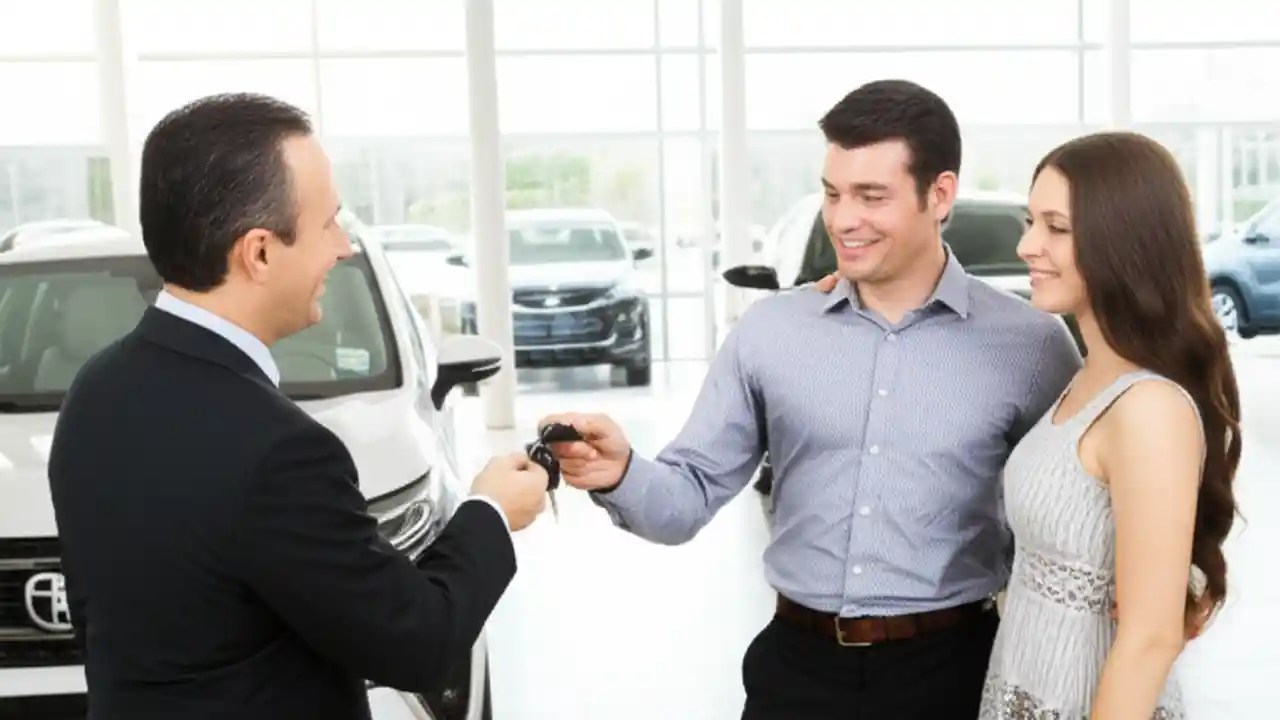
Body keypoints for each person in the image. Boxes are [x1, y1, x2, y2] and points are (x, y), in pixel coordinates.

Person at [540, 79, 1082, 719]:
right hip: (795, 674)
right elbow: (686, 497)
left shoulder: (1031, 347)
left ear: (939, 194)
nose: (843, 219)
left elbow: (1069, 524)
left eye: (871, 196)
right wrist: (622, 473)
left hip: (954, 675)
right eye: (832, 193)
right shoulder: (771, 332)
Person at [46, 93, 549, 720]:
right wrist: (491, 511)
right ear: (259, 252)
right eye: (328, 224)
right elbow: (416, 642)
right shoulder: (277, 450)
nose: (343, 247)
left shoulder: (95, 392)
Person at [974, 131, 1240, 719]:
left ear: (1125, 240)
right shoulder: (1087, 375)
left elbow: (1151, 638)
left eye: (1056, 228)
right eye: (1031, 222)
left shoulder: (1148, 406)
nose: (1026, 245)